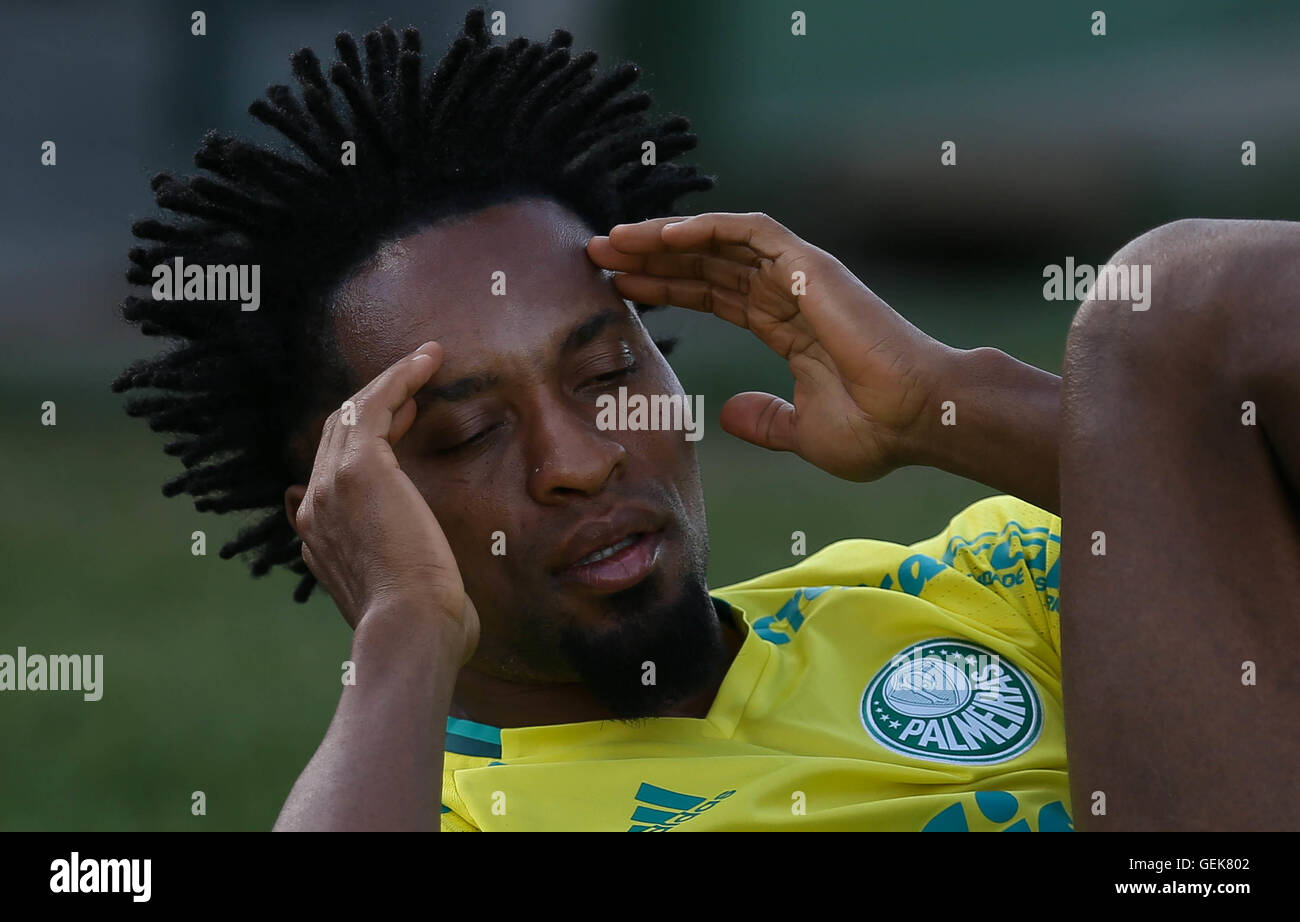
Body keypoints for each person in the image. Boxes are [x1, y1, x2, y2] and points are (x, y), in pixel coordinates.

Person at [114, 9, 1300, 831]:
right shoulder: (435, 805)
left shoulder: (989, 582)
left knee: (1184, 308)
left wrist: (950, 406)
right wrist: (405, 633)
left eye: (604, 372)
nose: (579, 461)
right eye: (466, 434)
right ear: (341, 511)